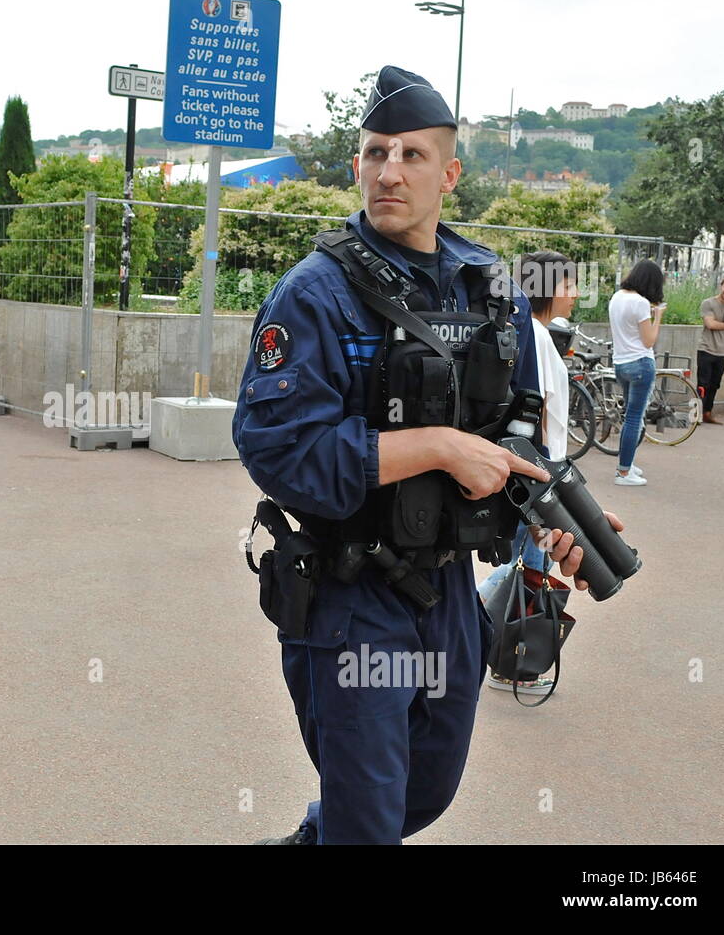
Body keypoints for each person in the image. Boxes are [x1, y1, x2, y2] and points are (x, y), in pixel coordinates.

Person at [233, 66, 623, 845]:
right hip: (351, 592)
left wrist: (547, 524)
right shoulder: (314, 293)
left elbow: (507, 437)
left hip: (448, 590)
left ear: (449, 173)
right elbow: (278, 449)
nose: (389, 170)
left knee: (426, 788)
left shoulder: (487, 288)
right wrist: (436, 446)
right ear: (356, 167)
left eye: (412, 155)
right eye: (376, 152)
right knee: (371, 814)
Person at [477, 251, 577, 696]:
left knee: (528, 565)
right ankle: (507, 657)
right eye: (569, 284)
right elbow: (534, 411)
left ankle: (509, 657)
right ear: (549, 288)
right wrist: (544, 482)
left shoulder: (532, 331)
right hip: (535, 479)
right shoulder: (534, 336)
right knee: (527, 568)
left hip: (534, 476)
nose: (574, 294)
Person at [607, 260, 666, 485]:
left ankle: (627, 464)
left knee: (630, 417)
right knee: (634, 418)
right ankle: (623, 472)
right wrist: (658, 316)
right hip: (641, 363)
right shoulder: (640, 302)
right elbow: (648, 340)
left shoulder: (617, 297)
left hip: (621, 364)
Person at [696, 276, 724, 424]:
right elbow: (710, 325)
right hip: (706, 349)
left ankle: (707, 413)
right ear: (720, 286)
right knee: (703, 384)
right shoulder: (708, 303)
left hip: (722, 352)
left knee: (715, 384)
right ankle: (696, 414)